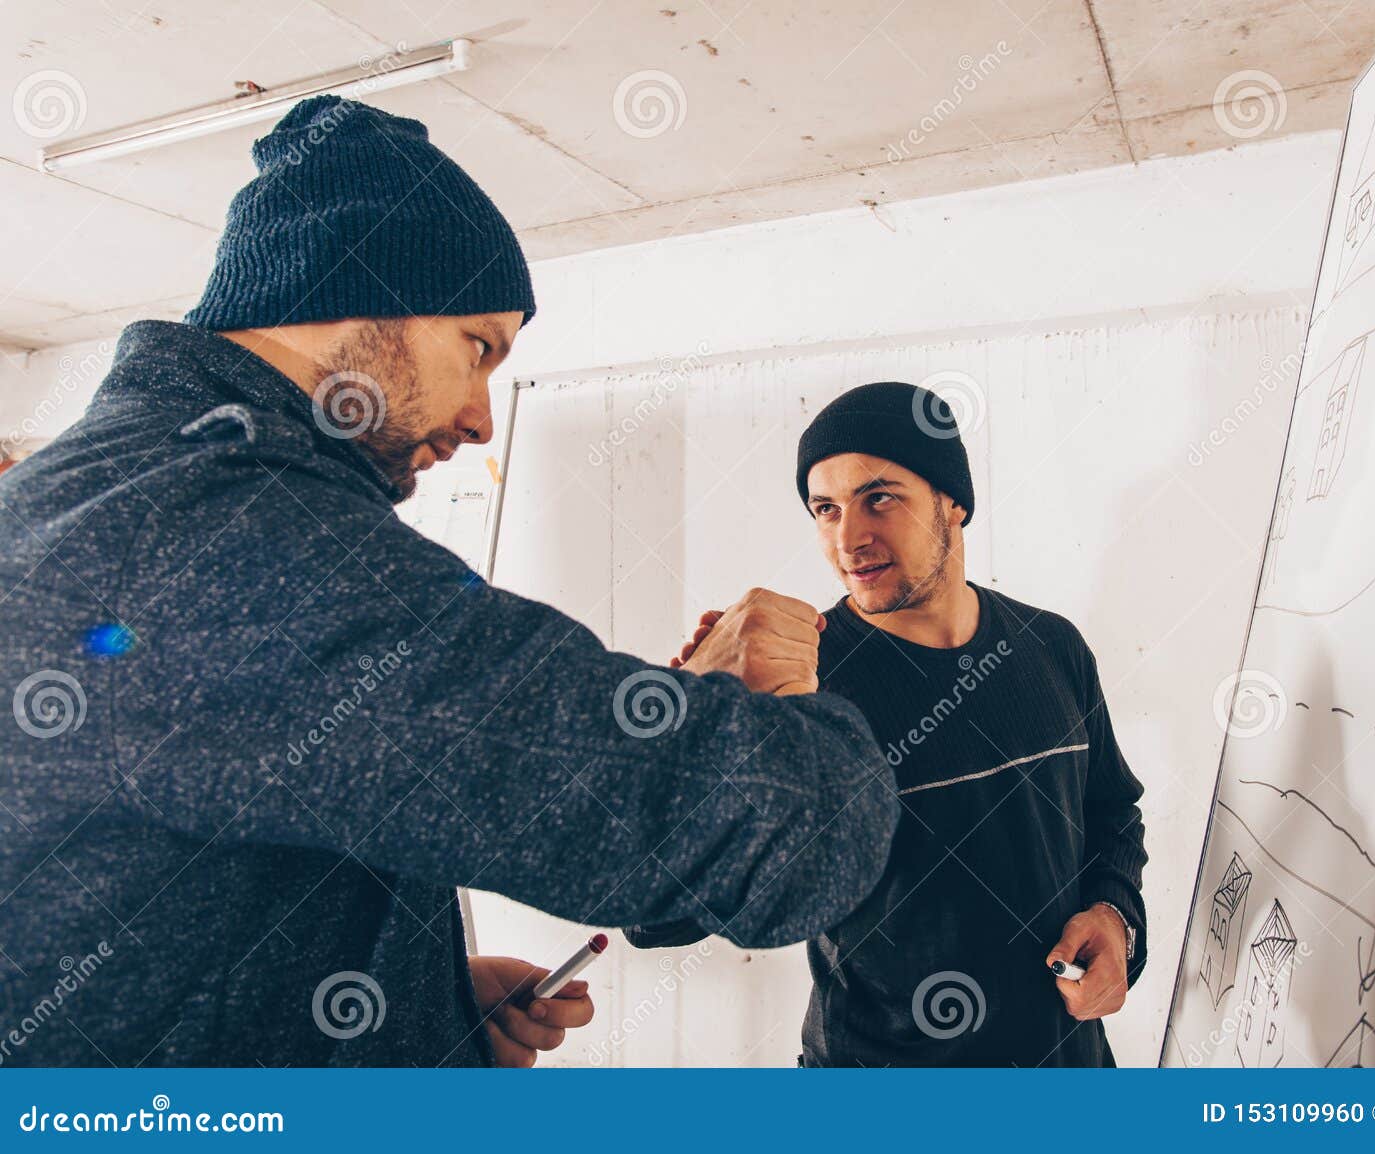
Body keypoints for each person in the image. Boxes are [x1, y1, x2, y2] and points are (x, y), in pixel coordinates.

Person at [0, 97, 897, 1067]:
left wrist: (412, 1000)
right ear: (359, 283)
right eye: (477, 347)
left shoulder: (87, 493)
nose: (481, 420)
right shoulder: (238, 542)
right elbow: (790, 836)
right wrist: (782, 688)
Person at [634, 381, 1149, 1066]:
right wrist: (707, 738)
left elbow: (1111, 810)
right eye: (826, 509)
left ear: (953, 501)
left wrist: (1116, 919)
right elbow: (651, 913)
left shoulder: (1051, 647)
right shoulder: (806, 688)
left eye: (879, 497)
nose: (849, 538)